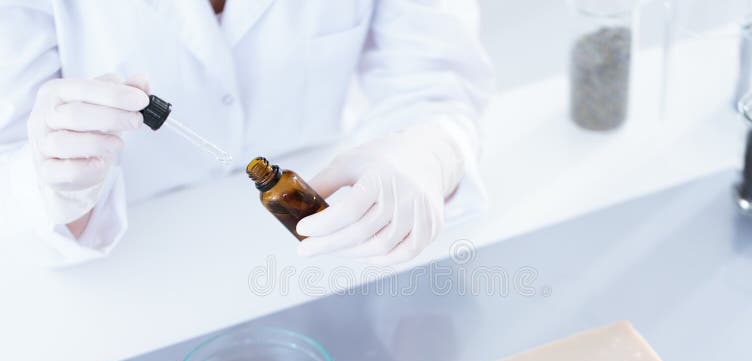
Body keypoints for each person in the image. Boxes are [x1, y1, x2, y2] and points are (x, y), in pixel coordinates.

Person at [0, 0, 492, 266]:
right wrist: (62, 182)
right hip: (134, 272)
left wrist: (427, 151)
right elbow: (15, 152)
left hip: (322, 268)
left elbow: (435, 81)